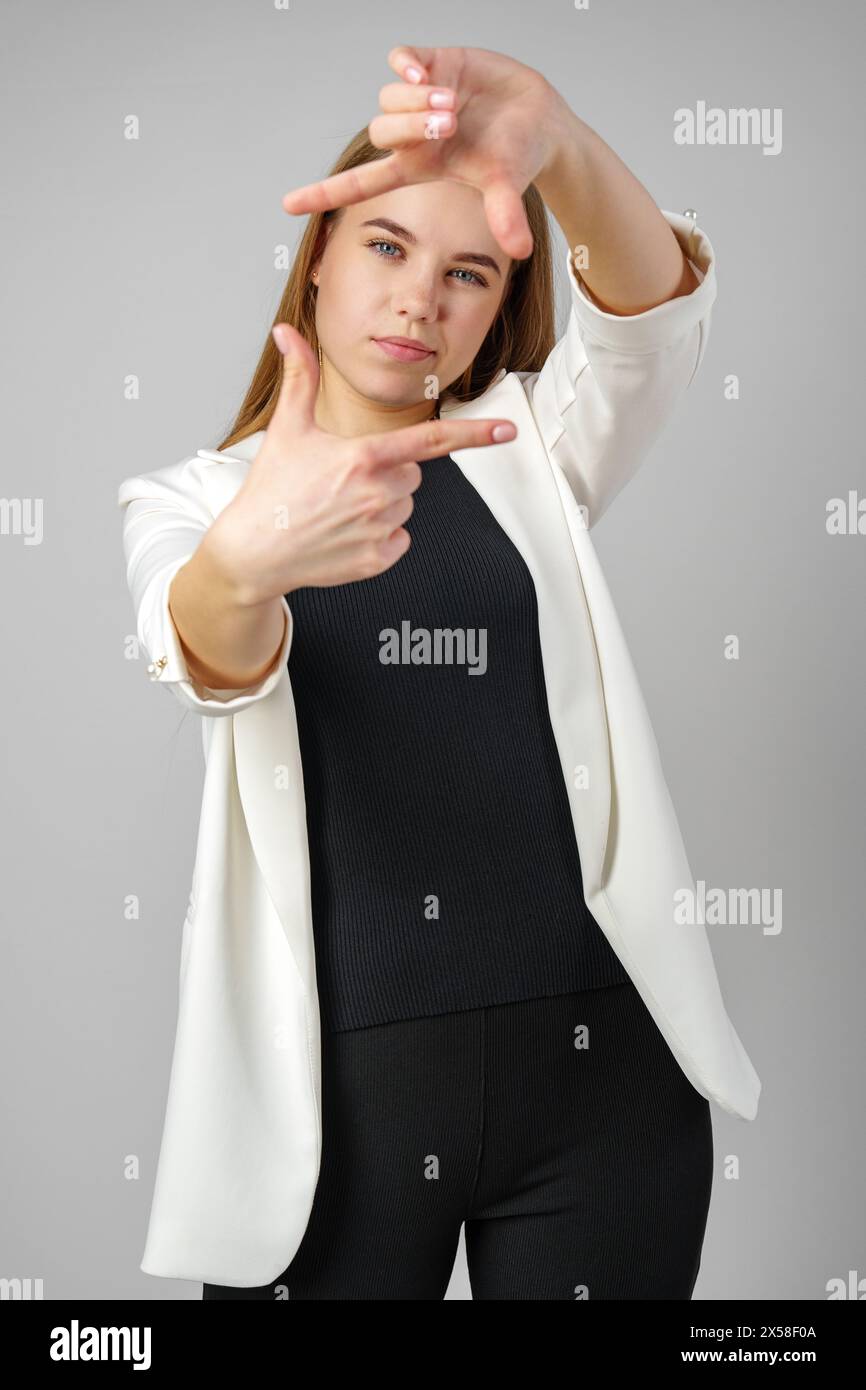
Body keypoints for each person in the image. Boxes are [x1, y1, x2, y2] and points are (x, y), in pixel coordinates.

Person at [119, 44, 759, 1300]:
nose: (423, 298)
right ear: (317, 259)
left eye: (467, 271)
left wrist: (561, 142)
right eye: (386, 248)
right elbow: (202, 646)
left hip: (600, 1076)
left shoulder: (527, 449)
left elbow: (651, 315)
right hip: (341, 1110)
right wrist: (251, 560)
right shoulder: (194, 502)